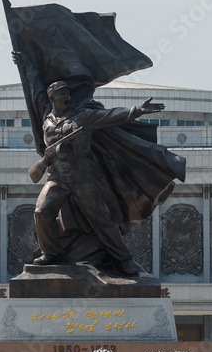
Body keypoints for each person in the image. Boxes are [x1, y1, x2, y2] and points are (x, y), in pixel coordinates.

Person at [31, 80, 165, 276]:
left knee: (101, 219)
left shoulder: (82, 116)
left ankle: (124, 260)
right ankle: (51, 254)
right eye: (62, 94)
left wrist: (137, 110)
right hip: (57, 176)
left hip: (82, 176)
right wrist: (24, 62)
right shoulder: (46, 119)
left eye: (68, 93)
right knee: (41, 212)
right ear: (52, 98)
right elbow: (33, 89)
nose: (67, 97)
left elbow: (110, 115)